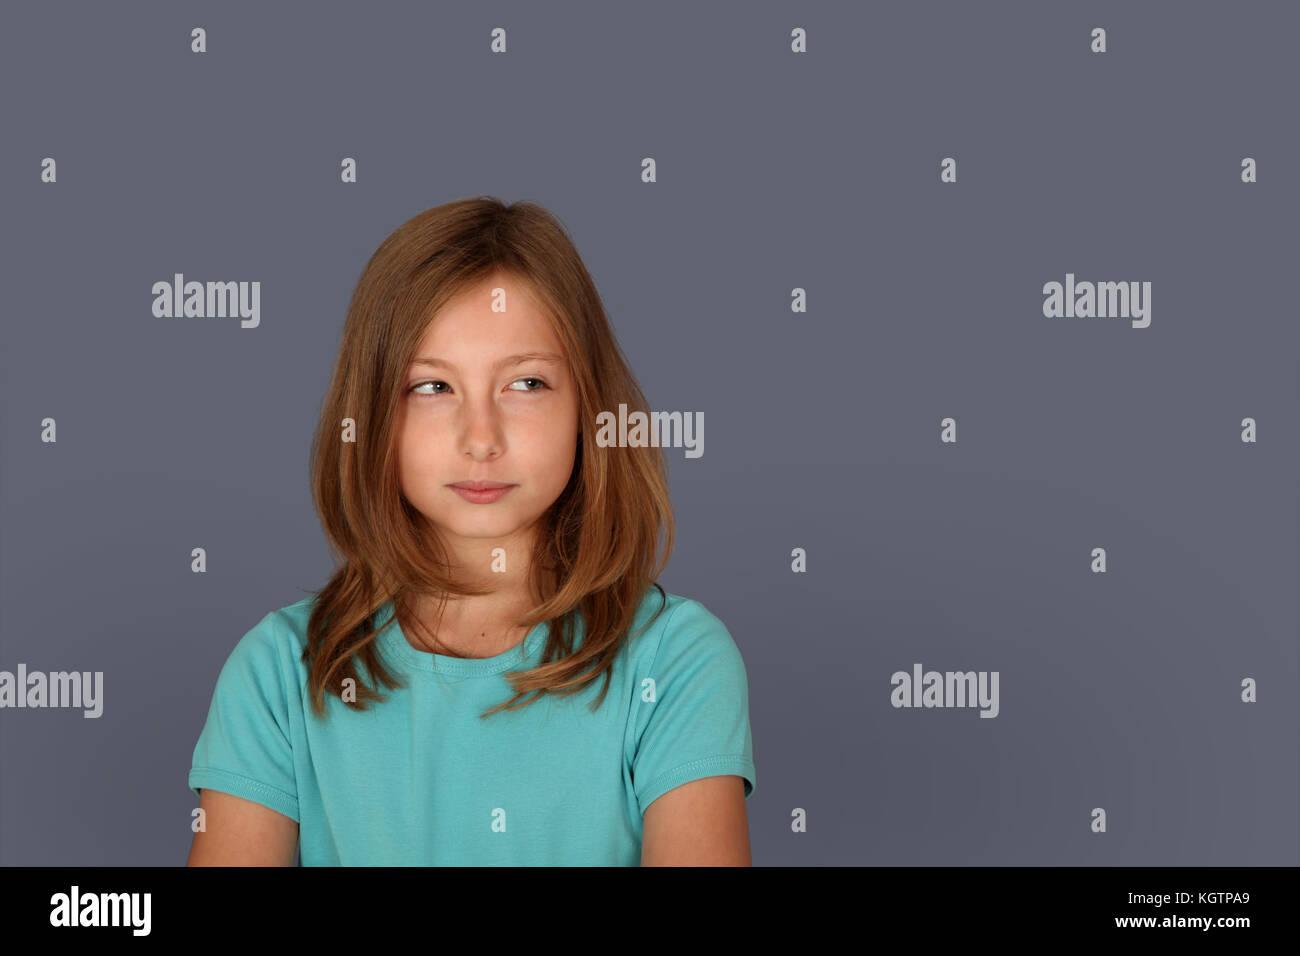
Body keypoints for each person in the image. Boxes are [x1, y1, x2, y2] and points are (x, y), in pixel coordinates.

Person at [185, 197, 757, 865]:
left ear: (589, 407)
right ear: (370, 415)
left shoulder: (676, 663)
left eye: (526, 383)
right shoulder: (280, 674)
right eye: (432, 388)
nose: (480, 439)